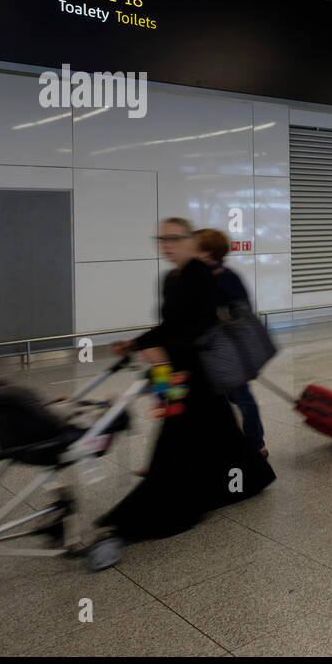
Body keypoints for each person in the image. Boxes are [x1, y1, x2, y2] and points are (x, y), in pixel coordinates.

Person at [101, 218, 275, 541]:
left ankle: (167, 501)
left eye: (174, 238)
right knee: (218, 429)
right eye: (162, 239)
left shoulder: (200, 275)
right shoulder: (172, 278)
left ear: (190, 242)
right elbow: (170, 324)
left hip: (196, 370)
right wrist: (137, 344)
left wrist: (157, 349)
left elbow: (197, 325)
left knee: (179, 435)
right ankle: (250, 478)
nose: (167, 245)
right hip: (183, 368)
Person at [192, 228, 268, 458]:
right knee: (228, 398)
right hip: (210, 352)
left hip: (229, 352)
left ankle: (256, 444)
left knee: (241, 397)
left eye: (195, 248)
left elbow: (243, 315)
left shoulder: (226, 278)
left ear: (207, 252)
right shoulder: (201, 278)